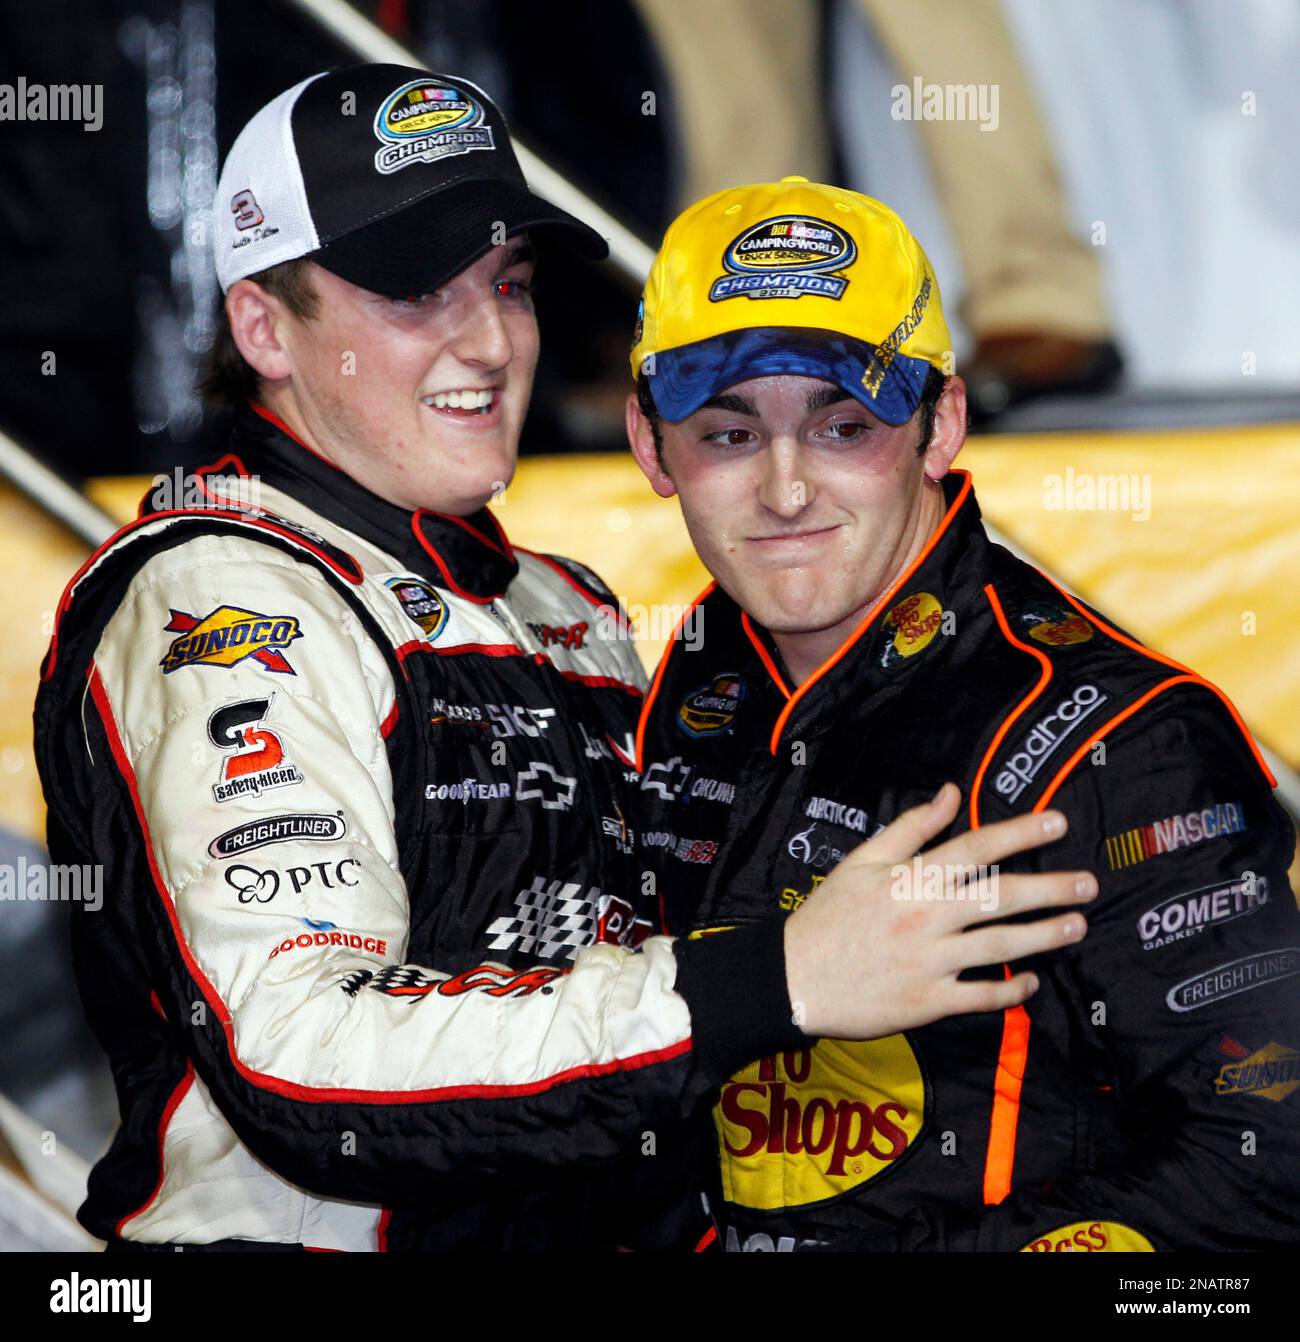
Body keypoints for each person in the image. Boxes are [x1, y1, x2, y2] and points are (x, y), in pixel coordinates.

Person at [33, 69, 1092, 1252]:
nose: (490, 342)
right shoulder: (218, 595)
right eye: (418, 291)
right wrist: (773, 981)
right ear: (265, 326)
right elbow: (304, 1055)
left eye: (511, 287)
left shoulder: (561, 604)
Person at [626, 176, 1300, 1251]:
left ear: (940, 424)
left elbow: (1265, 1168)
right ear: (651, 447)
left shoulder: (1120, 737)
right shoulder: (694, 676)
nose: (787, 491)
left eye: (845, 425)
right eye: (729, 434)